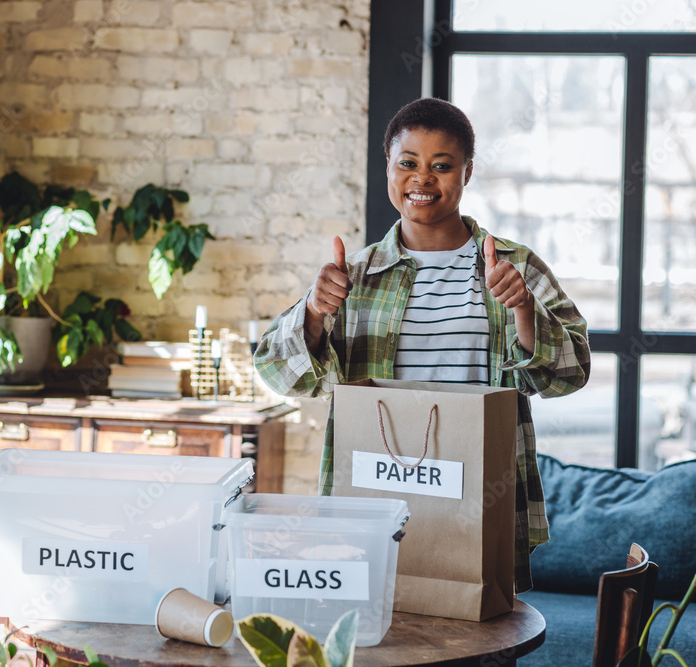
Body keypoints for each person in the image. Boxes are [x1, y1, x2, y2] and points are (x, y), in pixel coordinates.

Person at [253, 97, 591, 592]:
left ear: (467, 172)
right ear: (388, 168)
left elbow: (573, 371)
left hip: (480, 485)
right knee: (379, 634)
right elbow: (278, 374)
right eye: (407, 163)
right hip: (376, 481)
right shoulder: (355, 276)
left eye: (442, 166)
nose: (422, 179)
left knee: (481, 636)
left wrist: (523, 308)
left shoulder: (514, 265)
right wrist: (311, 311)